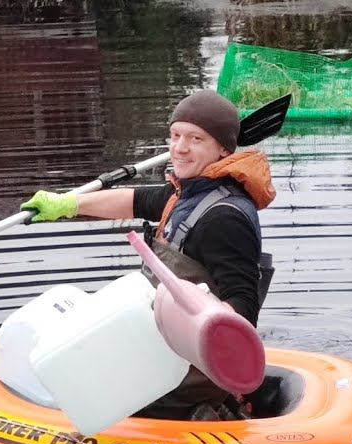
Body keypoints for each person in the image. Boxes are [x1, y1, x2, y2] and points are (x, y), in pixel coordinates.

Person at [22, 89, 276, 420]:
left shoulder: (224, 218)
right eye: (175, 135)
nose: (180, 148)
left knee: (77, 387)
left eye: (196, 139)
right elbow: (136, 200)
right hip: (157, 350)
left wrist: (188, 321)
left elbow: (241, 316)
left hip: (183, 373)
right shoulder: (185, 193)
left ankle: (200, 412)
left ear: (223, 149)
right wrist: (69, 204)